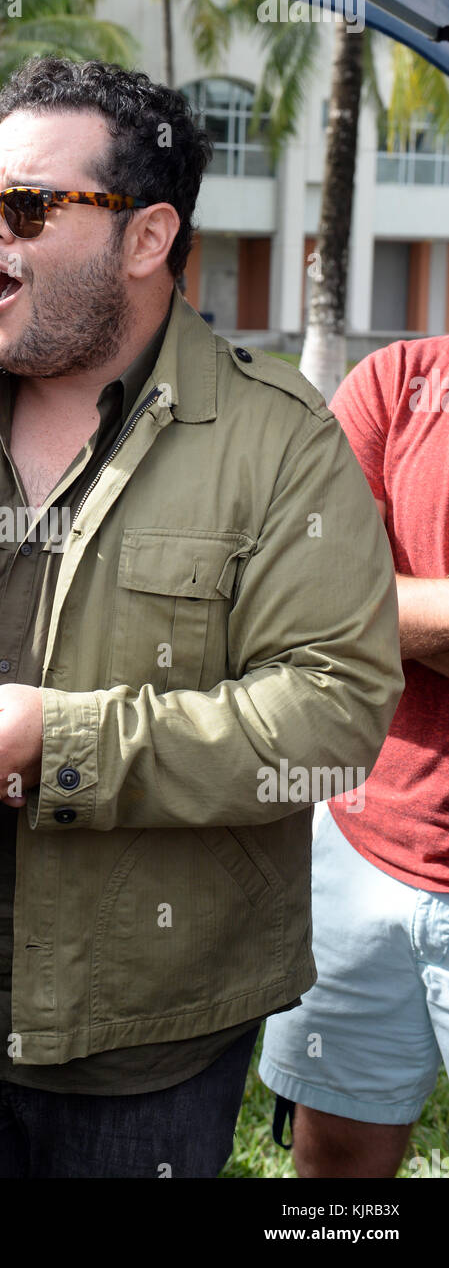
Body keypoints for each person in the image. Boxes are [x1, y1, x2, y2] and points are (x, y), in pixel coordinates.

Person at [0, 56, 403, 1178]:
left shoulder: (281, 444)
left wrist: (62, 751)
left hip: (144, 1047)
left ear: (147, 236)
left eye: (27, 205)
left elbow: (333, 704)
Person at [259, 333, 449, 1178]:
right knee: (333, 1165)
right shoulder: (398, 381)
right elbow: (315, 599)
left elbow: (361, 607)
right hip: (363, 846)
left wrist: (399, 617)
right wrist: (364, 615)